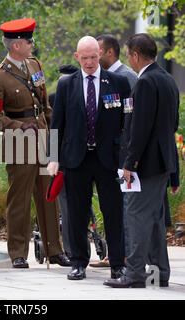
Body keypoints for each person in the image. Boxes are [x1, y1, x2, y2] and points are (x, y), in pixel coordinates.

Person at [0, 18, 69, 268]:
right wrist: (18, 126)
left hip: (43, 138)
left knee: (49, 196)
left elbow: (44, 107)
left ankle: (55, 250)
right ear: (15, 46)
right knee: (19, 200)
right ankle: (18, 253)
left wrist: (58, 134)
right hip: (17, 142)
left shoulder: (34, 65)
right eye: (28, 41)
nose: (32, 45)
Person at [47, 36, 131, 280]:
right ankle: (78, 263)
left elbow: (128, 122)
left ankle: (117, 263)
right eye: (84, 58)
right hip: (77, 159)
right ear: (77, 57)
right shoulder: (66, 85)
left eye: (94, 57)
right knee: (77, 213)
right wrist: (54, 157)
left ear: (100, 55)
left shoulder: (118, 82)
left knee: (113, 212)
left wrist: (126, 158)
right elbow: (57, 124)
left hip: (108, 159)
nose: (90, 62)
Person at [104, 33, 179, 288]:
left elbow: (140, 128)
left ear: (135, 55)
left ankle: (135, 273)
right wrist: (174, 171)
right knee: (155, 219)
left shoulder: (145, 82)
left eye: (128, 55)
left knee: (135, 215)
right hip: (161, 162)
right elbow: (172, 127)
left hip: (145, 164)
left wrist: (129, 163)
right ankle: (160, 273)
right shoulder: (168, 80)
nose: (129, 60)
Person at [90, 34, 138, 268]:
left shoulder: (126, 77)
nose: (95, 56)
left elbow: (130, 117)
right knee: (111, 206)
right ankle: (114, 254)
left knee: (122, 206)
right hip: (103, 155)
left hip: (121, 154)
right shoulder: (101, 77)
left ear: (109, 52)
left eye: (98, 51)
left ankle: (126, 255)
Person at [48, 64, 79, 261]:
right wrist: (53, 158)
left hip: (84, 159)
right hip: (63, 161)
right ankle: (70, 249)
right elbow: (53, 130)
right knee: (66, 206)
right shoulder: (51, 100)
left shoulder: (83, 98)